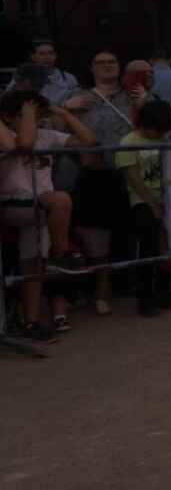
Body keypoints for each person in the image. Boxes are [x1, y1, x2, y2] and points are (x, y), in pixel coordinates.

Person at [0, 91, 97, 339]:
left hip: (41, 207)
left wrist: (64, 113)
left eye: (40, 115)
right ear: (9, 117)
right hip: (13, 204)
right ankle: (62, 254)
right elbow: (25, 144)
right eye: (28, 115)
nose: (38, 119)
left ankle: (31, 321)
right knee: (60, 199)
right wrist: (29, 115)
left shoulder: (48, 134)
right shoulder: (6, 134)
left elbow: (88, 140)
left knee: (32, 264)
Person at [63, 49, 144, 314]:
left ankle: (128, 284)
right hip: (92, 175)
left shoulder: (133, 95)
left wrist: (146, 104)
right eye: (101, 62)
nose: (107, 66)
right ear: (91, 68)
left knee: (129, 231)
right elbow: (54, 130)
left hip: (130, 171)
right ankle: (92, 290)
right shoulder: (76, 97)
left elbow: (156, 125)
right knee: (93, 235)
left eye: (112, 61)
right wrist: (65, 110)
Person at [113, 99, 171, 315]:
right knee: (148, 248)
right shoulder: (128, 141)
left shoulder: (164, 139)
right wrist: (152, 203)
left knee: (167, 246)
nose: (159, 134)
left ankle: (164, 290)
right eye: (155, 130)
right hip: (140, 202)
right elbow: (133, 178)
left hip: (168, 199)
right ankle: (145, 297)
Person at [14, 39, 79, 106]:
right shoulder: (23, 77)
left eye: (51, 53)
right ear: (33, 57)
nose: (47, 57)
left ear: (56, 56)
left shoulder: (69, 78)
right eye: (42, 54)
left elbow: (77, 101)